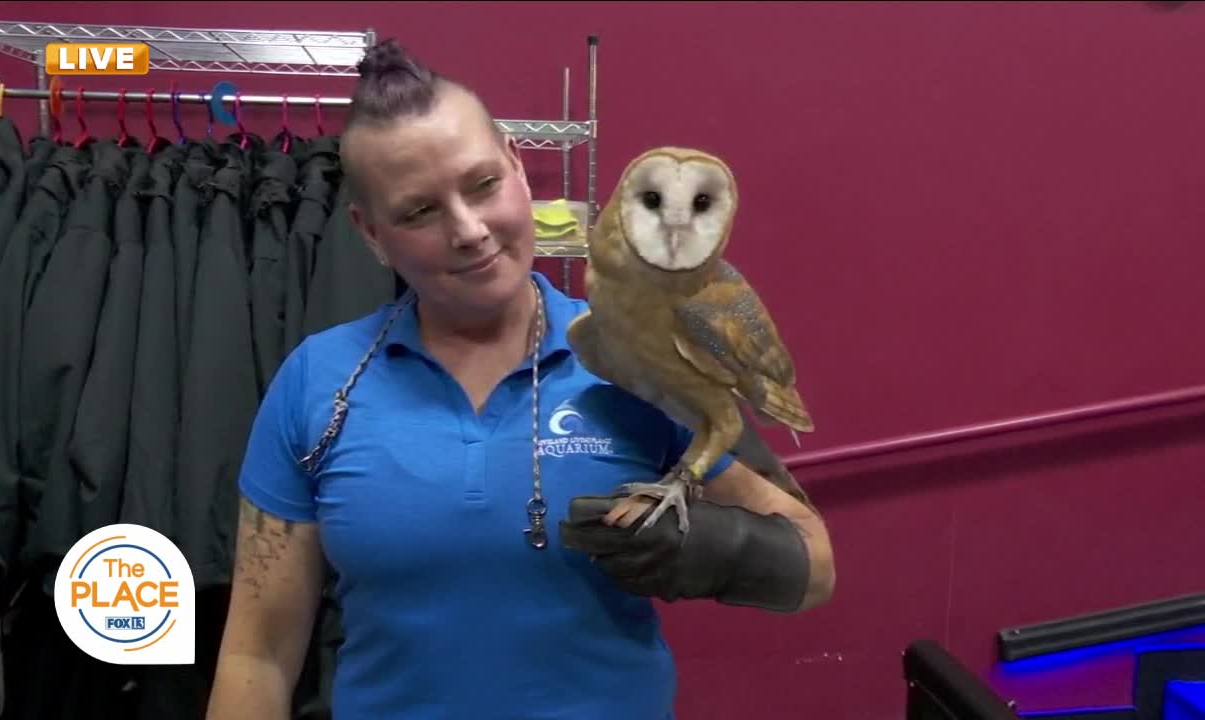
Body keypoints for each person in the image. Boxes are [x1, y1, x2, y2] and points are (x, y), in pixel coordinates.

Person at [205, 38, 835, 720]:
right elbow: (258, 655)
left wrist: (716, 552)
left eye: (483, 185)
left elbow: (815, 566)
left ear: (517, 166)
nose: (470, 230)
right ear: (369, 232)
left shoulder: (631, 357)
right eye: (420, 212)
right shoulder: (318, 383)